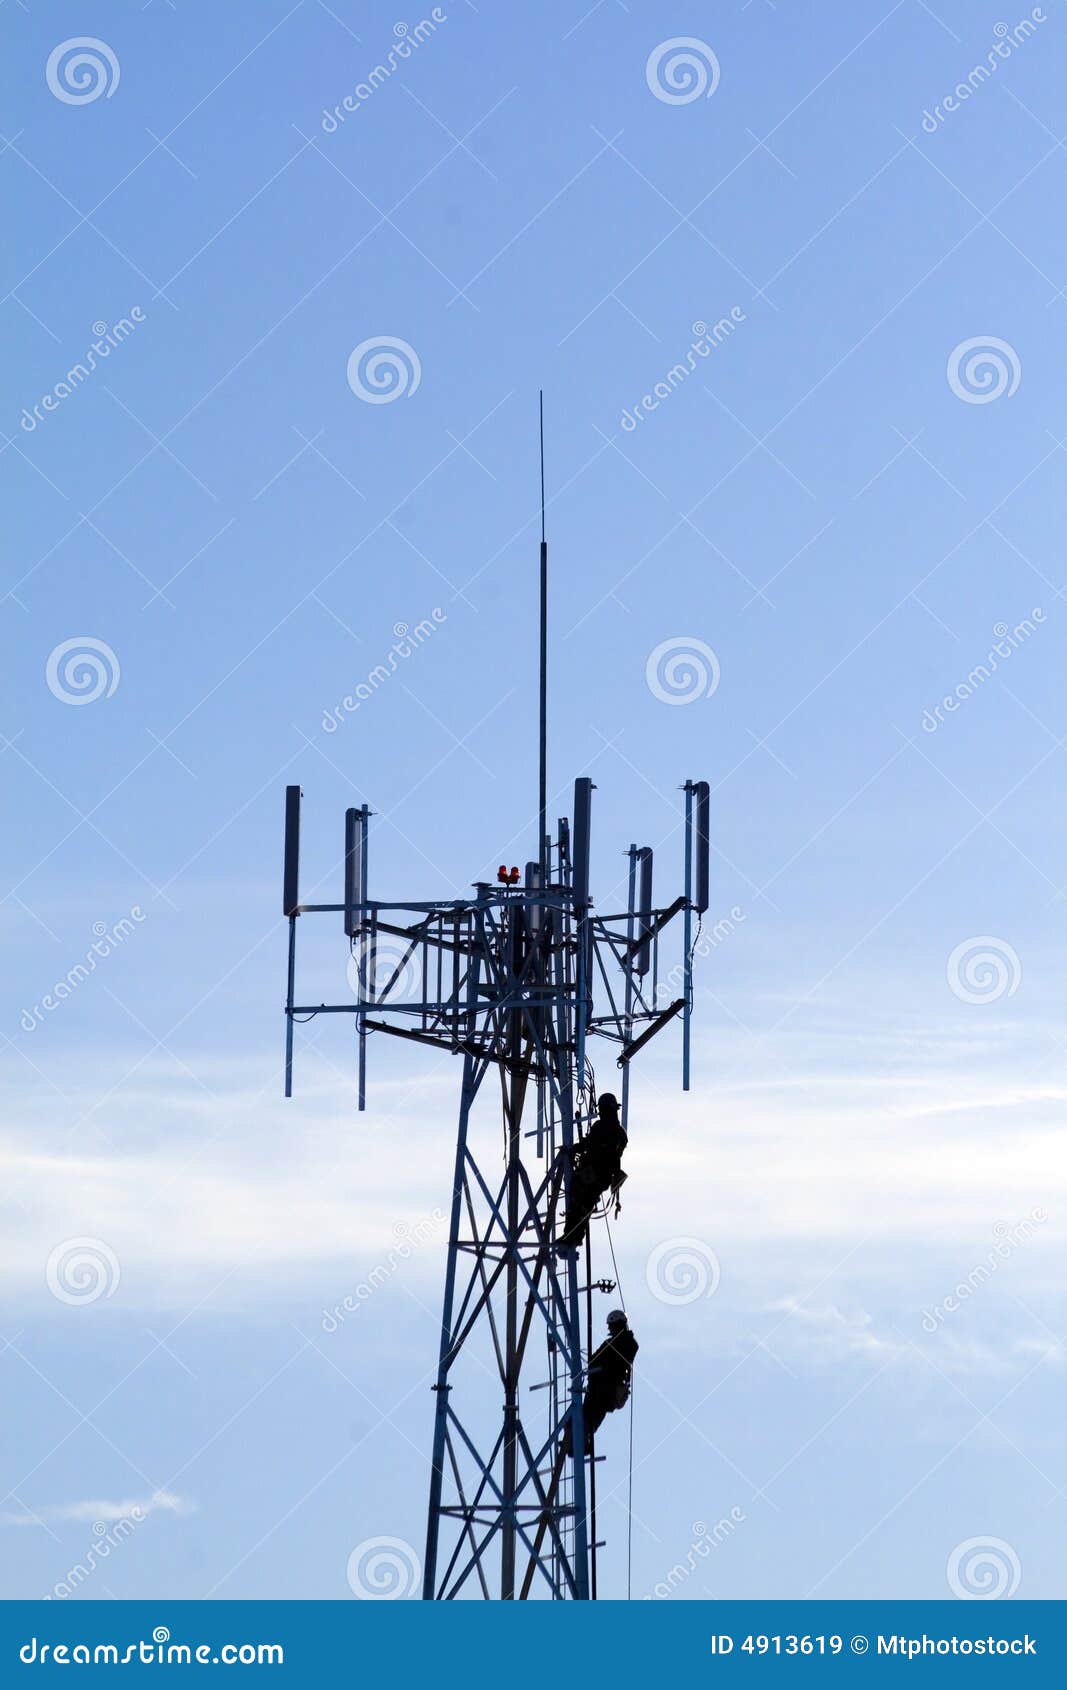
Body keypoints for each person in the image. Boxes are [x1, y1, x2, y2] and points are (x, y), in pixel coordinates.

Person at [563, 1310, 638, 1455]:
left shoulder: (624, 1342)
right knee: (585, 1417)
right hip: (602, 1388)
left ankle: (580, 1443)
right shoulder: (618, 1342)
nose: (610, 1329)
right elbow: (595, 1360)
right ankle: (577, 1440)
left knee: (587, 1417)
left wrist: (599, 1367)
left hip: (605, 1389)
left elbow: (598, 1360)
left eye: (611, 1326)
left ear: (617, 1325)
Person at [559, 1093, 628, 1251]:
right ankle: (572, 1235)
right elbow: (592, 1145)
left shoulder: (609, 1130)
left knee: (581, 1200)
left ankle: (572, 1235)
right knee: (582, 1201)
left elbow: (594, 1146)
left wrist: (575, 1149)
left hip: (597, 1173)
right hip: (599, 1174)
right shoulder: (615, 1131)